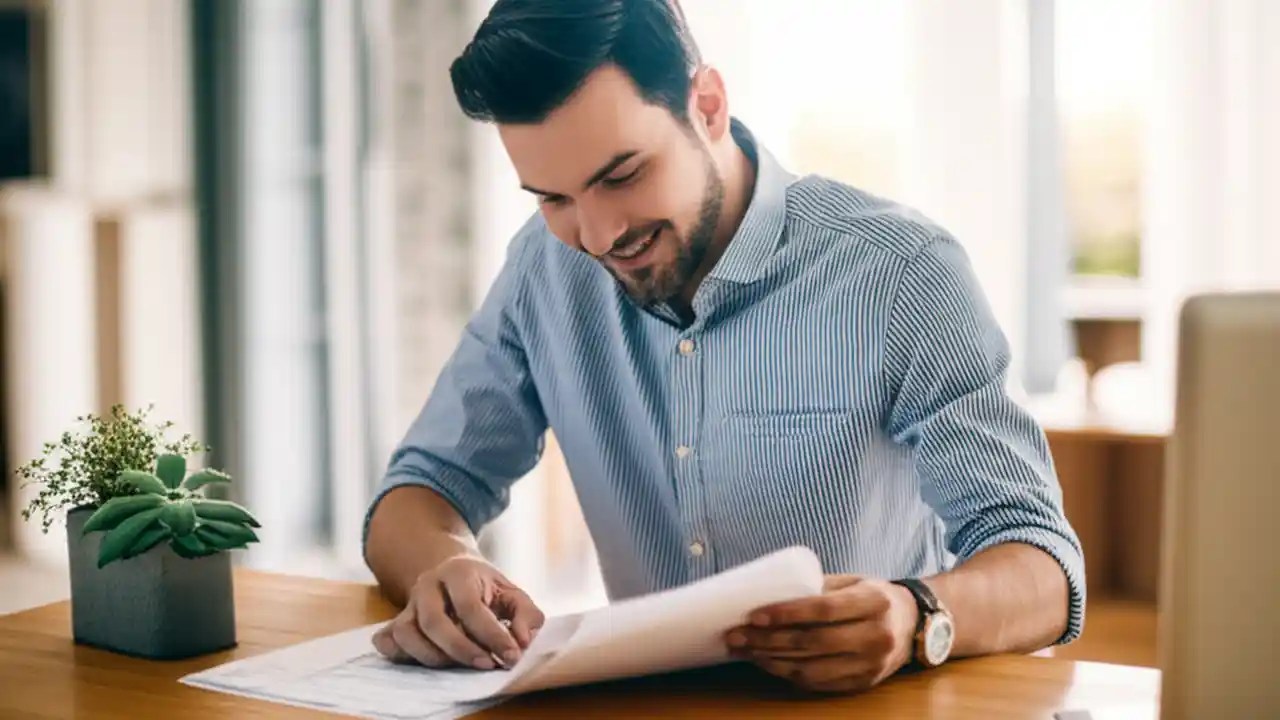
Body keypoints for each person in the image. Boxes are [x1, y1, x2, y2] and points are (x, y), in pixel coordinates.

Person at [365, 0, 1085, 694]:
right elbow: (421, 488)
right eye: (552, 198)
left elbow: (1044, 565)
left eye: (622, 175)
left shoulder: (900, 272)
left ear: (707, 105)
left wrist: (917, 615)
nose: (597, 235)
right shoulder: (544, 270)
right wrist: (446, 567)